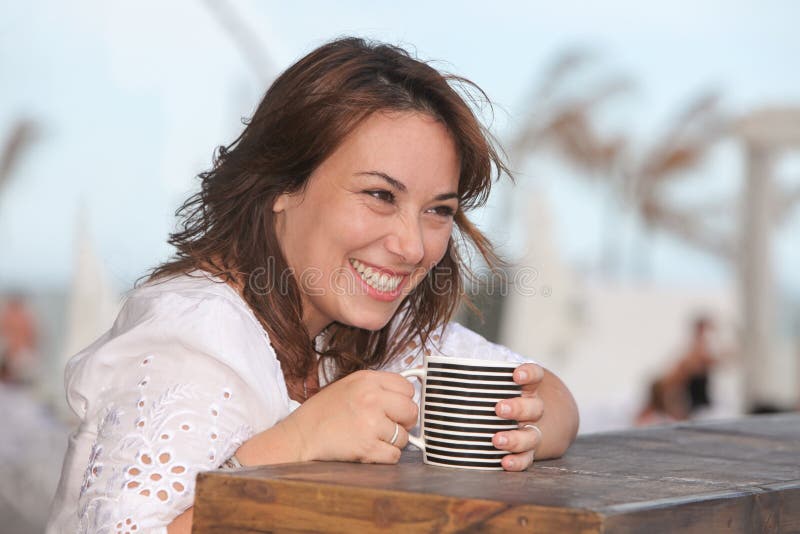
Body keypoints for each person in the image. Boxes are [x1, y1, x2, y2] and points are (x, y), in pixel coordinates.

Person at [47, 37, 580, 533]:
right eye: (380, 195)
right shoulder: (193, 341)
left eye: (438, 210)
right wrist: (298, 442)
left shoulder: (387, 335)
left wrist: (525, 428)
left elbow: (553, 396)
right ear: (282, 185)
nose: (414, 246)